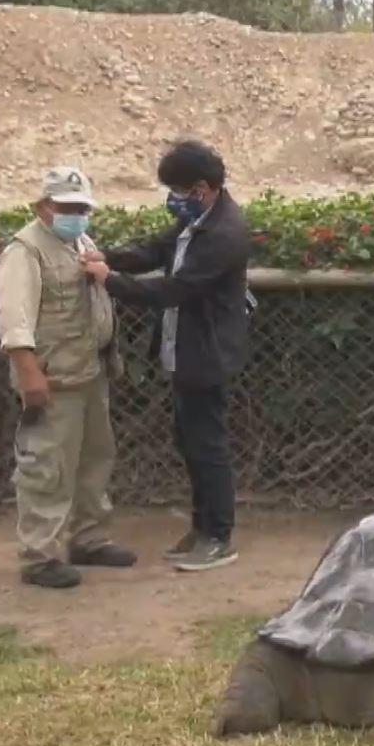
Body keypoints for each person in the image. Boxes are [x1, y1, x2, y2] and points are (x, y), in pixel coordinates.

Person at [80, 140, 253, 573]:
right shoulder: (193, 223)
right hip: (184, 350)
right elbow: (156, 252)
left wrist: (109, 280)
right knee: (190, 442)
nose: (171, 200)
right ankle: (202, 528)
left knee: (208, 446)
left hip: (207, 355)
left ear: (201, 189)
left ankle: (218, 535)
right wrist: (110, 257)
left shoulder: (225, 233)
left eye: (177, 190)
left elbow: (174, 289)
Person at [0, 166, 135, 589]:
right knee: (47, 467)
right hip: (53, 380)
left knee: (94, 462)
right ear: (43, 206)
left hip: (88, 374)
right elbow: (13, 317)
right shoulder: (25, 251)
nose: (76, 214)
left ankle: (87, 539)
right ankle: (40, 555)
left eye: (81, 207)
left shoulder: (79, 241)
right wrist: (29, 373)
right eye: (67, 206)